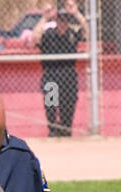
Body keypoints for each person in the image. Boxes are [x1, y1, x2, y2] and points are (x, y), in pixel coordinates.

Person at [38, 2, 87, 137]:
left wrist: (76, 13)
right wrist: (44, 18)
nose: (63, 23)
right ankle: (53, 129)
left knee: (68, 104)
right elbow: (34, 38)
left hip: (68, 74)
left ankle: (66, 129)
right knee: (51, 104)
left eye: (66, 20)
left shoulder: (72, 34)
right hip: (51, 74)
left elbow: (87, 32)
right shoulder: (49, 34)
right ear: (56, 20)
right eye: (60, 19)